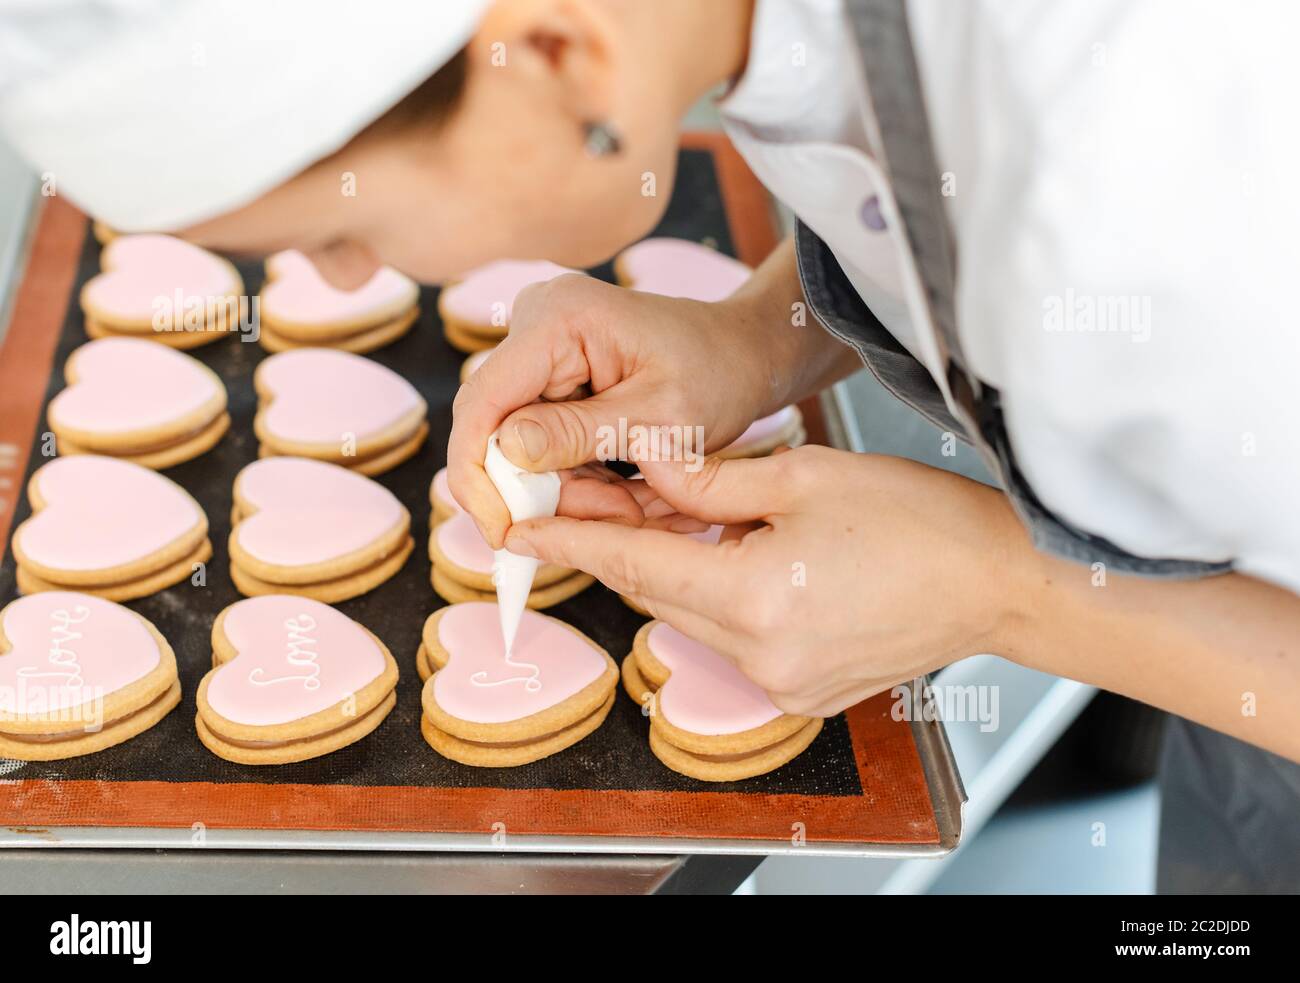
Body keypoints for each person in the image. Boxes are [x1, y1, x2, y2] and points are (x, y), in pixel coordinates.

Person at [2, 0, 1296, 892]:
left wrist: (997, 592)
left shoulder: (1153, 168)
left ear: (563, 56)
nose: (340, 276)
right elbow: (926, 162)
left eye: (349, 224)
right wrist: (757, 337)